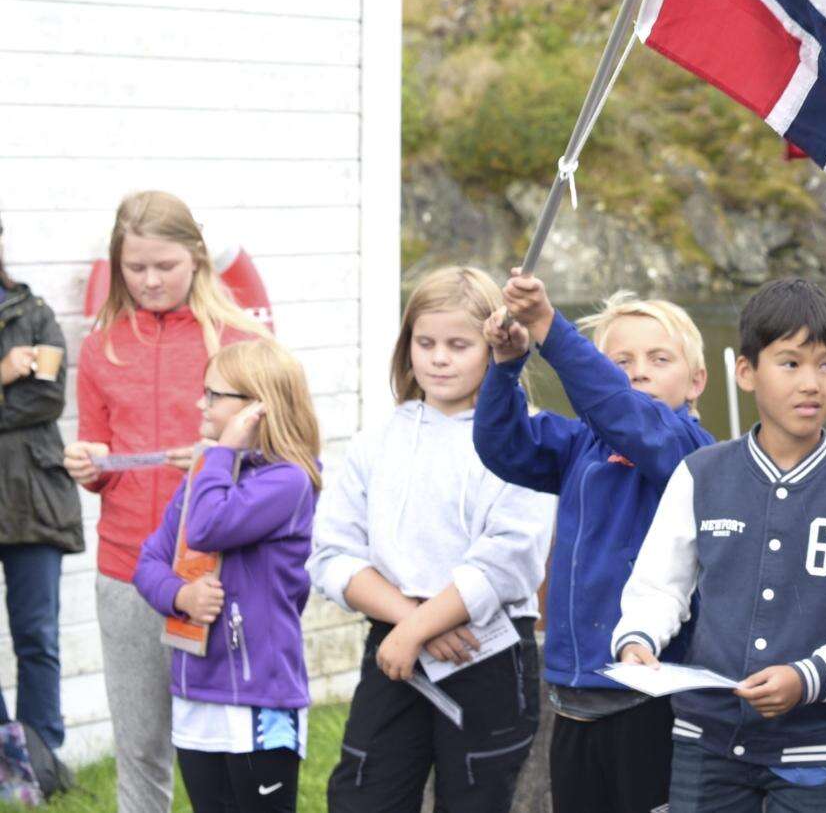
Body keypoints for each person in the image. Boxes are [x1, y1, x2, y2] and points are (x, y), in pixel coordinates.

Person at [612, 278, 826, 813]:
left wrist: (807, 678)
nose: (811, 382)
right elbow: (660, 585)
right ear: (746, 372)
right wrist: (639, 639)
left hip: (817, 748)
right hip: (707, 741)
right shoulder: (701, 474)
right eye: (790, 363)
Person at [310, 267, 554, 813]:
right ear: (407, 346)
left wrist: (427, 622)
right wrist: (411, 623)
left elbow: (509, 560)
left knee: (475, 801)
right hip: (393, 650)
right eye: (426, 343)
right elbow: (332, 554)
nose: (439, 358)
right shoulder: (377, 440)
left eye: (458, 345)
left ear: (494, 346)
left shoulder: (527, 437)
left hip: (486, 655)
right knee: (362, 797)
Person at [474, 275, 713, 813]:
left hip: (653, 693)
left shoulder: (689, 448)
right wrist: (507, 365)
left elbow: (626, 415)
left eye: (659, 359)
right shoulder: (582, 441)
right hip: (576, 690)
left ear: (696, 381)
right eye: (620, 361)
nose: (638, 372)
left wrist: (548, 328)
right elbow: (502, 444)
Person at [63, 191, 266, 813]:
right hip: (125, 573)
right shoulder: (100, 349)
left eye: (165, 266)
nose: (149, 281)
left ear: (198, 259)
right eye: (135, 268)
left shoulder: (242, 343)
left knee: (226, 750)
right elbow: (100, 450)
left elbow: (286, 462)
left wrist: (216, 458)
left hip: (220, 570)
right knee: (140, 749)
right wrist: (88, 465)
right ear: (117, 266)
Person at [131, 339, 322, 813]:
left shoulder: (289, 480)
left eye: (214, 395)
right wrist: (180, 596)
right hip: (197, 687)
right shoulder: (207, 475)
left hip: (261, 697)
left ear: (257, 407)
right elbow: (148, 561)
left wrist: (221, 454)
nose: (202, 403)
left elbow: (209, 527)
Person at [0, 212, 82, 754]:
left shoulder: (33, 312)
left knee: (37, 636)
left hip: (31, 499)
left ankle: (43, 759)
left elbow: (48, 398)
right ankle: (7, 762)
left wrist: (19, 381)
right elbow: (24, 398)